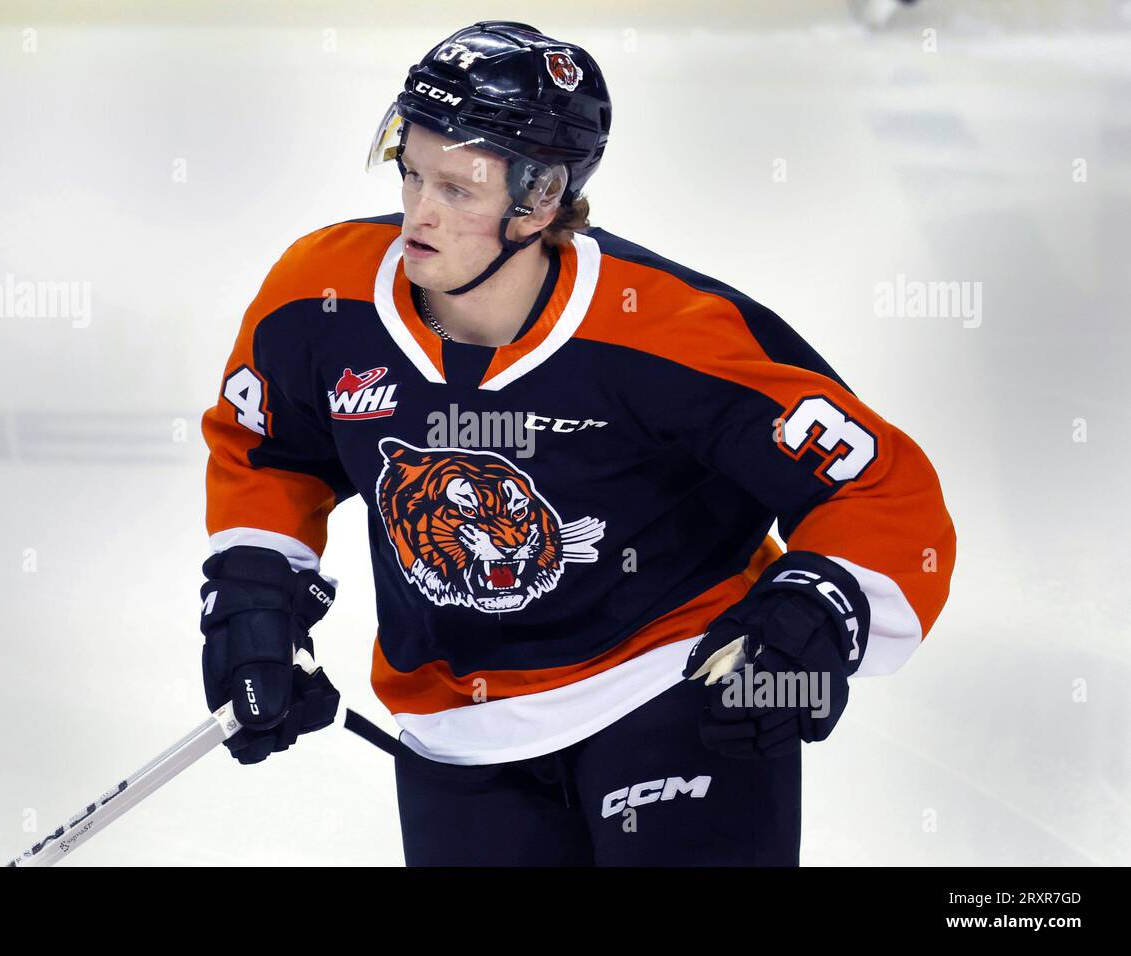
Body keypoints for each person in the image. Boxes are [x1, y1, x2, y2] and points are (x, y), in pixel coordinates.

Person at [197, 21, 956, 866]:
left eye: (460, 187)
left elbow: (879, 487)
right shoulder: (319, 298)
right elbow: (267, 450)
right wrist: (255, 593)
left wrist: (816, 610)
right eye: (412, 171)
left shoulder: (668, 331)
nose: (420, 213)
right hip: (458, 723)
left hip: (673, 688)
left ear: (541, 198)